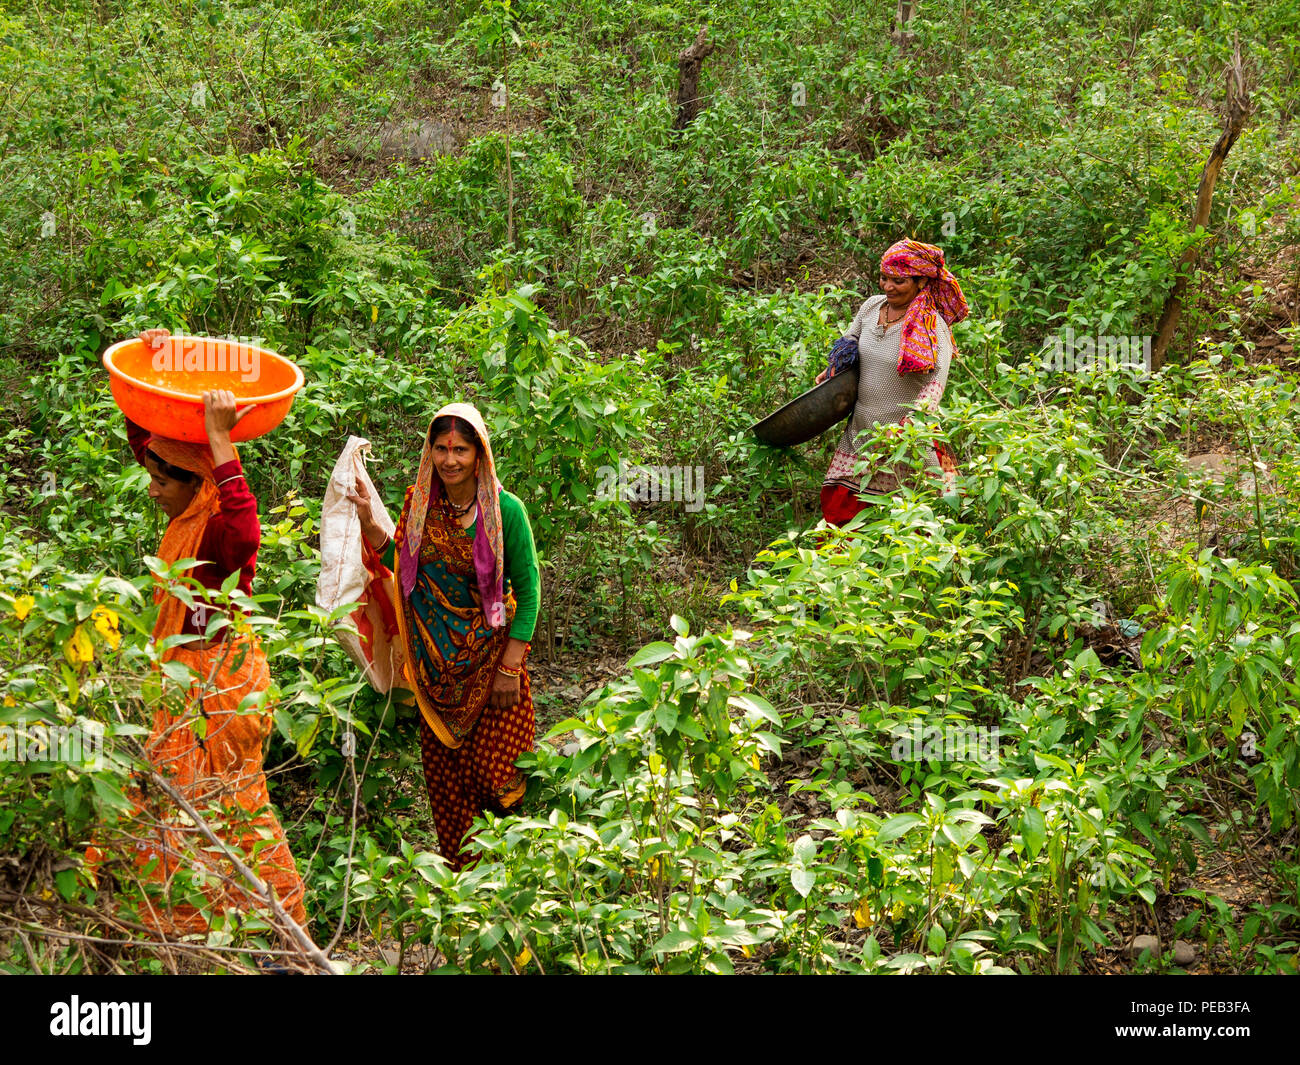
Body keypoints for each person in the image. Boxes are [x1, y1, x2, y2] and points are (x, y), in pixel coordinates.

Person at [88, 328, 307, 936]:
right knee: (170, 795)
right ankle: (173, 921)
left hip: (220, 687)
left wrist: (219, 439)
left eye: (162, 481)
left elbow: (247, 528)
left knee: (229, 802)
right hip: (184, 682)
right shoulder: (188, 507)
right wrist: (153, 363)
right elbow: (150, 440)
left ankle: (268, 927)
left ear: (197, 482)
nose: (152, 488)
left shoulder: (216, 532)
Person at [348, 402, 540, 871]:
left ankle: (514, 881)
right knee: (450, 790)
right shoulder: (420, 505)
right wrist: (370, 522)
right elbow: (404, 568)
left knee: (499, 778)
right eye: (441, 449)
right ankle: (464, 887)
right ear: (429, 451)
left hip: (493, 669)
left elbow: (529, 590)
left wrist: (510, 668)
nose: (450, 460)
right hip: (434, 679)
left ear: (479, 454)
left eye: (460, 450)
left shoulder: (507, 511)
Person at [816, 239, 968, 526]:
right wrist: (834, 369)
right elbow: (850, 341)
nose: (888, 287)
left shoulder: (933, 326)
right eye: (884, 278)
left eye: (898, 281)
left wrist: (906, 428)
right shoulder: (871, 307)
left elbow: (935, 386)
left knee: (912, 522)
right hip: (861, 433)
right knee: (841, 517)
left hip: (908, 441)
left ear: (921, 281)